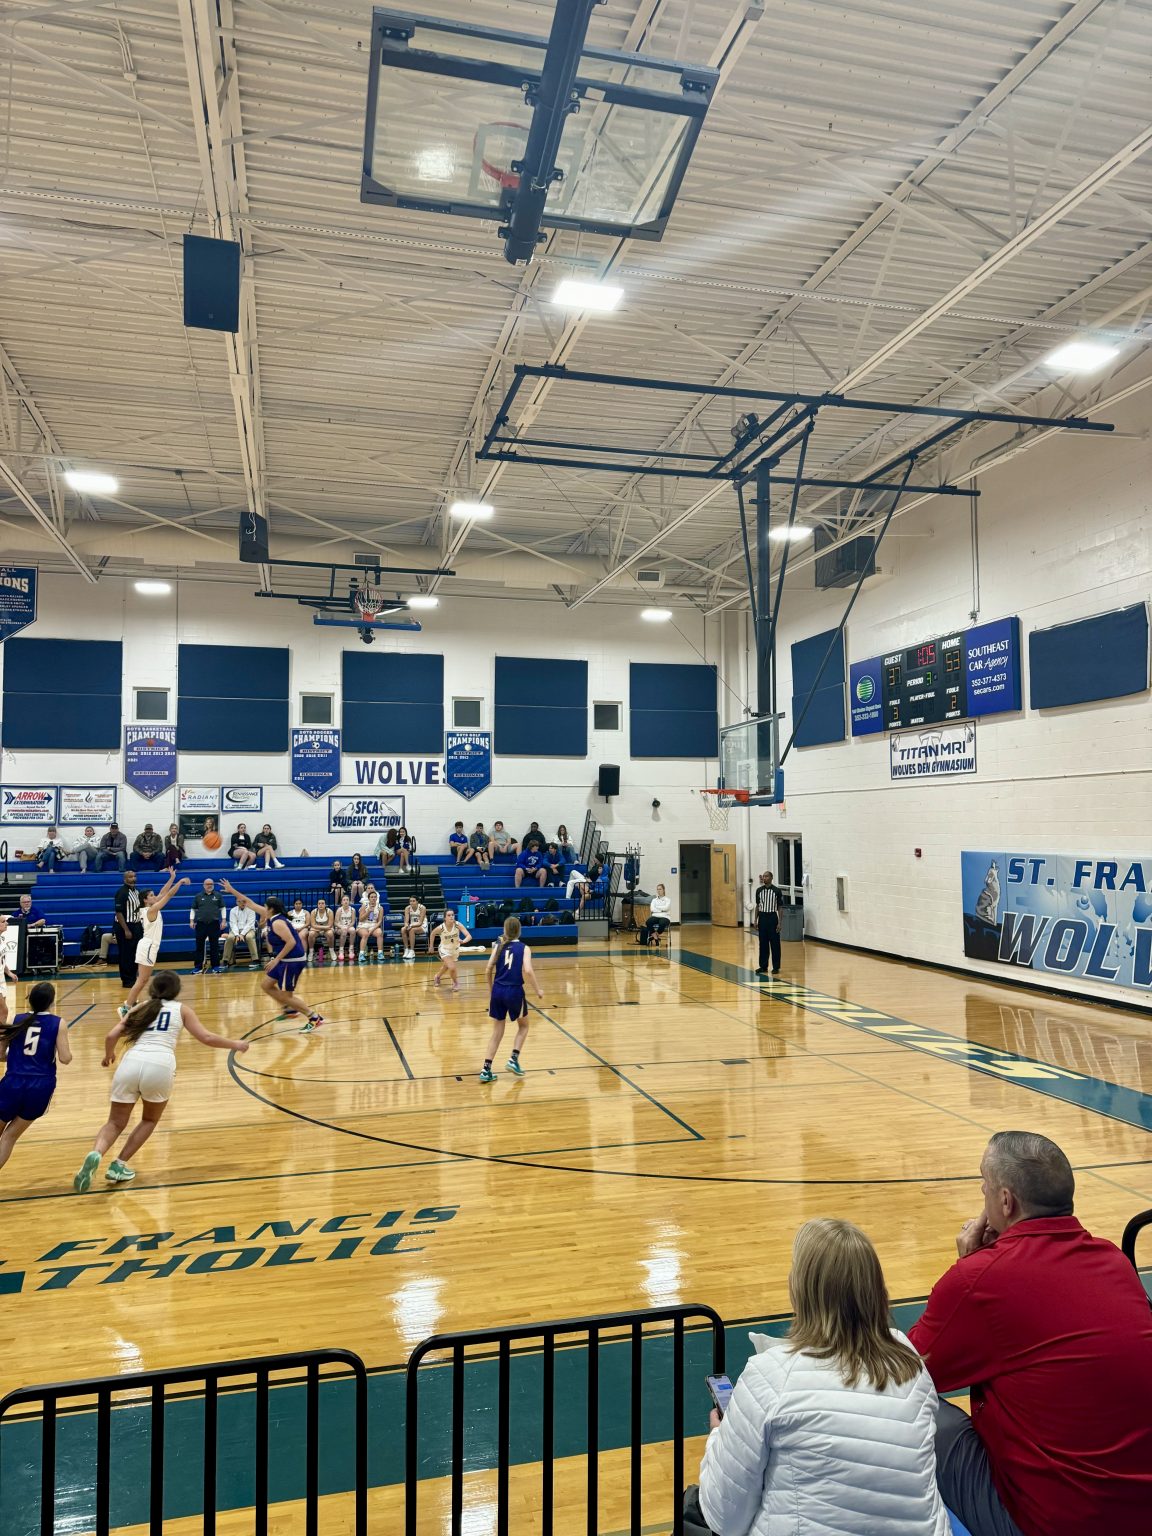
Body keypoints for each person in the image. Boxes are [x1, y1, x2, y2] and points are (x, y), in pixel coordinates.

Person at [908, 1130, 1152, 1536]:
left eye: (984, 1185)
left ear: (1005, 1201)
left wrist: (968, 1267)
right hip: (1139, 1514)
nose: (982, 1194)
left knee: (917, 1410)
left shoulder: (982, 1279)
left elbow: (904, 1370)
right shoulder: (1113, 1259)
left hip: (1052, 1523)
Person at [687, 1218, 949, 1536]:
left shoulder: (771, 1375)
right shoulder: (908, 1359)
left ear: (801, 1290)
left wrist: (719, 1437)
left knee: (692, 1512)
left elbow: (723, 1518)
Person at [73, 971, 249, 1192]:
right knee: (149, 1120)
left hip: (131, 1062)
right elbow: (206, 1038)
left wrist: (109, 1055)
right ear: (176, 990)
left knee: (115, 1123)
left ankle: (96, 1153)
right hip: (160, 1064)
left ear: (153, 988)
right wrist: (235, 1044)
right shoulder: (182, 1009)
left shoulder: (140, 1007)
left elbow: (111, 1035)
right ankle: (119, 1164)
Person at [220, 882, 325, 1032]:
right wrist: (232, 891)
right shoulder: (271, 916)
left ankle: (314, 1017)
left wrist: (275, 960)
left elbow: (291, 942)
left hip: (292, 961)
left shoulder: (278, 923)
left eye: (265, 906)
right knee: (266, 985)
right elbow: (248, 902)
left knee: (287, 995)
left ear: (271, 909)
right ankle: (289, 1010)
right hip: (284, 959)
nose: (262, 908)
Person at [0, 981, 72, 1173]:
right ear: (51, 1002)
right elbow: (65, 1058)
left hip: (13, 1082)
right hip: (40, 1086)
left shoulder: (17, 1018)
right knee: (9, 1137)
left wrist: (17, 1056)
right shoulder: (58, 1023)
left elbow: (0, 1055)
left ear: (29, 1000)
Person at [479, 916, 542, 1083]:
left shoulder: (499, 946)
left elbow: (488, 969)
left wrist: (491, 989)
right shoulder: (524, 948)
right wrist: (538, 990)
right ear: (519, 930)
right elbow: (528, 971)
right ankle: (513, 1059)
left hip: (498, 991)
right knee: (524, 1026)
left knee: (497, 1032)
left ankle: (486, 1069)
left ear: (505, 929)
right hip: (513, 991)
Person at [120, 871, 190, 1013]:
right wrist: (180, 883)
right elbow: (169, 895)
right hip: (148, 946)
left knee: (142, 980)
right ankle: (126, 1007)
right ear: (146, 900)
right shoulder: (151, 910)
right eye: (152, 896)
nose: (155, 896)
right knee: (142, 980)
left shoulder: (147, 908)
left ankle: (130, 1003)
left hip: (147, 945)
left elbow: (163, 893)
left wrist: (172, 878)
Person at [188, 877, 226, 974]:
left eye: (211, 884)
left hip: (214, 924)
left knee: (215, 946)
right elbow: (193, 909)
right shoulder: (198, 896)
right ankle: (198, 967)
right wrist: (191, 920)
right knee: (199, 946)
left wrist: (224, 921)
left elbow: (223, 908)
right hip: (201, 924)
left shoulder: (218, 895)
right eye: (207, 884)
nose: (209, 885)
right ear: (204, 885)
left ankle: (216, 966)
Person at [430, 908, 472, 992]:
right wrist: (431, 946)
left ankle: (437, 976)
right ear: (445, 918)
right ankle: (455, 982)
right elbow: (432, 933)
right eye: (449, 915)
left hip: (455, 950)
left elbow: (469, 936)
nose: (451, 917)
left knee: (446, 966)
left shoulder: (457, 925)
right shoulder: (441, 928)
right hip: (444, 949)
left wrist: (463, 941)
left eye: (452, 915)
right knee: (452, 967)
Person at [113, 871, 142, 989]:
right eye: (130, 877)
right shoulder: (122, 892)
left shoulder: (136, 891)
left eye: (134, 876)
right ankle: (126, 980)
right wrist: (126, 930)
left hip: (136, 925)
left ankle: (133, 977)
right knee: (126, 954)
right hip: (125, 926)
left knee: (135, 953)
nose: (133, 878)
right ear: (125, 879)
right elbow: (118, 913)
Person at [751, 870, 782, 976]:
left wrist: (779, 922)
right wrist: (755, 920)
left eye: (766, 876)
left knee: (775, 944)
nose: (764, 878)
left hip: (773, 917)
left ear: (771, 878)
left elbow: (780, 907)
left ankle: (776, 967)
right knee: (763, 943)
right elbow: (758, 906)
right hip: (763, 918)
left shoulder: (777, 891)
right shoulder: (759, 890)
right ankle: (763, 966)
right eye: (763, 876)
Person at [223, 894, 259, 967]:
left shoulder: (251, 909)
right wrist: (237, 934)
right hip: (236, 930)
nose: (242, 903)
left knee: (249, 937)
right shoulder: (233, 910)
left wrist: (242, 934)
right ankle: (226, 960)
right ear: (236, 902)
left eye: (243, 901)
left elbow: (250, 924)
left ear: (246, 902)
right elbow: (233, 924)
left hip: (249, 930)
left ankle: (255, 959)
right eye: (239, 901)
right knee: (230, 937)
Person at [356, 887, 385, 963]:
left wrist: (372, 929)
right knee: (365, 934)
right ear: (368, 898)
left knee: (379, 933)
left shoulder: (380, 907)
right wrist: (368, 912)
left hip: (374, 925)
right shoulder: (364, 906)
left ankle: (380, 953)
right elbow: (360, 919)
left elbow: (379, 921)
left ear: (377, 898)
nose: (373, 898)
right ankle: (361, 954)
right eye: (372, 897)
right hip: (363, 925)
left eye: (375, 897)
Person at [399, 896, 426, 961]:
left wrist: (410, 926)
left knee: (411, 930)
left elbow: (420, 923)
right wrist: (406, 925)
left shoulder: (422, 908)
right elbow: (406, 921)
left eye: (413, 901)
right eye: (410, 901)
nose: (411, 902)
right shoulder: (407, 908)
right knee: (403, 929)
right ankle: (406, 949)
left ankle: (412, 951)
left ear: (417, 901)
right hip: (412, 925)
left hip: (422, 926)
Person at [333, 894, 357, 963]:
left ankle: (351, 949)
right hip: (339, 927)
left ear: (349, 901)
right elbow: (335, 923)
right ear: (341, 902)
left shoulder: (352, 910)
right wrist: (342, 927)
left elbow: (353, 921)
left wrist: (348, 927)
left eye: (347, 900)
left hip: (348, 926)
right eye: (344, 900)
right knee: (344, 932)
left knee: (353, 930)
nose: (346, 901)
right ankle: (341, 950)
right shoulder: (339, 910)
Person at [309, 897, 333, 963]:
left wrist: (318, 927)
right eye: (319, 903)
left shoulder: (329, 911)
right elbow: (313, 925)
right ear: (317, 905)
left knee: (330, 934)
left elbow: (330, 925)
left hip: (321, 930)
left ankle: (331, 951)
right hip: (318, 930)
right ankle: (311, 952)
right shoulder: (313, 912)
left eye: (322, 903)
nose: (321, 905)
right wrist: (325, 927)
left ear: (325, 904)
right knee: (311, 934)